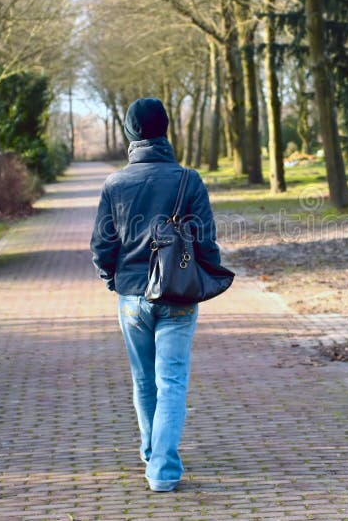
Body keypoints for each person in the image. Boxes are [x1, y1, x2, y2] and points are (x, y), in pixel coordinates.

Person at [90, 97, 224, 492]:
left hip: (132, 296)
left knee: (144, 381)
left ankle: (151, 452)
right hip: (178, 293)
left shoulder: (115, 185)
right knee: (173, 380)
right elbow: (206, 240)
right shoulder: (189, 180)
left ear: (131, 134)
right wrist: (207, 277)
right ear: (165, 129)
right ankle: (162, 471)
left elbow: (102, 246)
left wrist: (113, 280)